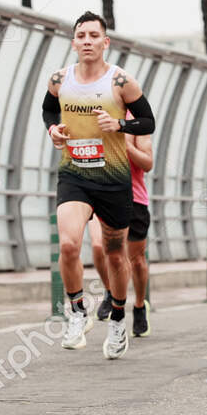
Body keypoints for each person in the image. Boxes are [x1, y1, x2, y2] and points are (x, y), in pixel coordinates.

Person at [44, 11, 156, 358]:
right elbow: (49, 110)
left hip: (113, 179)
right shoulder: (60, 79)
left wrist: (120, 125)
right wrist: (53, 129)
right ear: (74, 42)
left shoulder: (121, 82)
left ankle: (119, 317)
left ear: (105, 42)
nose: (88, 41)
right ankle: (77, 310)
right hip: (75, 174)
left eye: (94, 36)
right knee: (68, 245)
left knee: (114, 255)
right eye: (82, 36)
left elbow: (148, 121)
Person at [90, 124, 154, 337]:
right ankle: (111, 292)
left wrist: (126, 145)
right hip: (100, 196)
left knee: (136, 259)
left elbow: (147, 164)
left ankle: (139, 305)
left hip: (133, 199)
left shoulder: (137, 123)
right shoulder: (90, 115)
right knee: (99, 247)